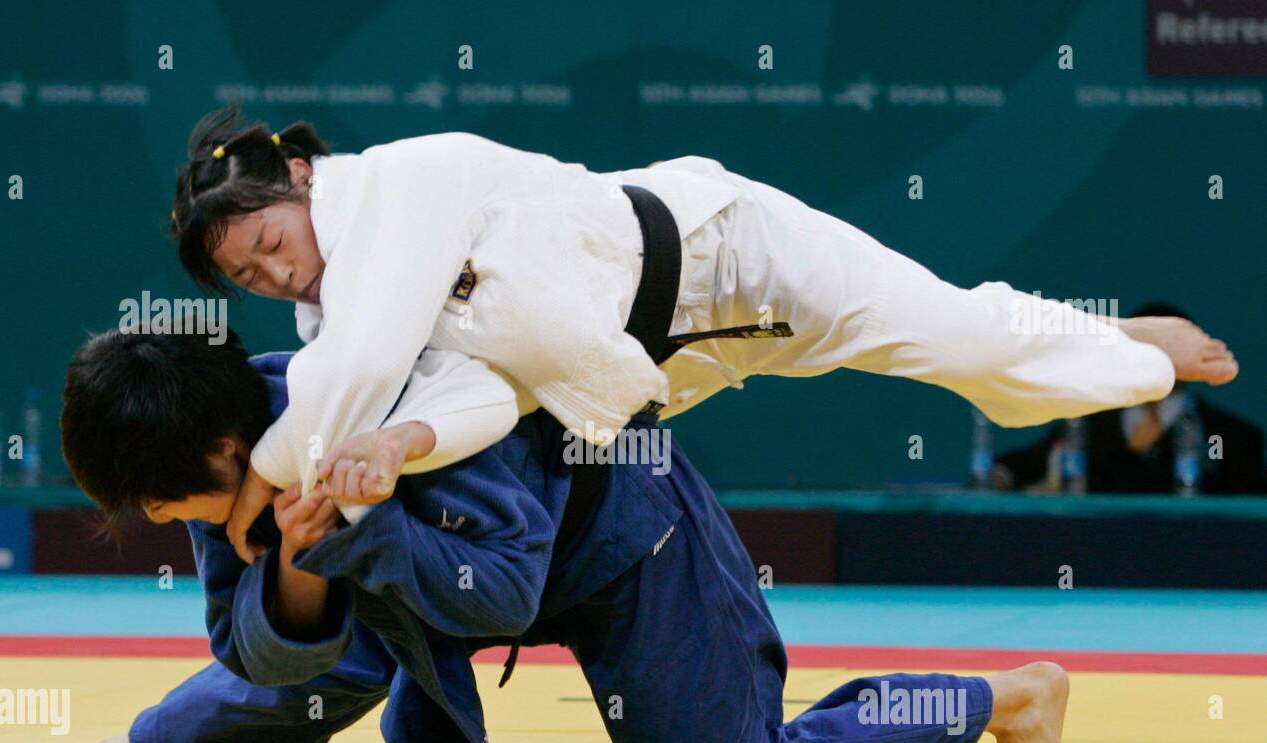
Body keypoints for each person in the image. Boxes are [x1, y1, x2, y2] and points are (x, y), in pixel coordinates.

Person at [0, 327, 1066, 743]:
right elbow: (256, 653)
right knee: (272, 700)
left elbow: (498, 588)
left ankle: (1003, 696)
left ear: (226, 449)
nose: (160, 521)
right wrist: (306, 561)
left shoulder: (381, 398)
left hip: (616, 531)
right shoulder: (218, 448)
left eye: (166, 503)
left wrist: (348, 537)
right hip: (403, 575)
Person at [167, 106, 1238, 562]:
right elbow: (488, 394)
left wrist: (258, 484)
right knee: (972, 352)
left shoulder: (399, 183)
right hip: (696, 357)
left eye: (265, 237)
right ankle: (1115, 348)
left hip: (736, 251)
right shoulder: (348, 321)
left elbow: (348, 369)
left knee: (963, 344)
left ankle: (1135, 346)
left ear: (301, 179)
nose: (271, 270)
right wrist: (396, 446)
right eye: (244, 276)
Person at [995, 303, 1264, 494]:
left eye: (1173, 346)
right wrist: (1000, 476)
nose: (1162, 357)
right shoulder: (1086, 422)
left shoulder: (1230, 436)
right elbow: (1028, 463)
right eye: (1150, 346)